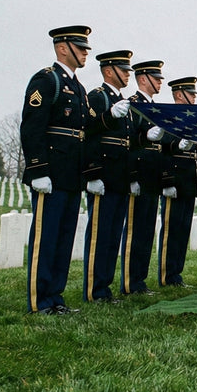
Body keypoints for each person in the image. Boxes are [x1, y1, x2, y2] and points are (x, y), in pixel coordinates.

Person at [20, 25, 92, 315]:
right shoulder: (46, 80)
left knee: (63, 240)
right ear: (63, 48)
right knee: (46, 238)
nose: (86, 52)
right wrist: (37, 168)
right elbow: (31, 126)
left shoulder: (77, 87)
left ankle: (55, 297)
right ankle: (40, 301)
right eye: (81, 46)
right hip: (51, 173)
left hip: (71, 175)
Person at [80, 49, 136, 304]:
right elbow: (88, 136)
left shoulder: (123, 102)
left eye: (128, 71)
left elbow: (129, 144)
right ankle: (94, 290)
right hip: (103, 176)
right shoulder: (97, 97)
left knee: (113, 236)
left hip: (120, 177)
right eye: (123, 70)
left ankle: (105, 288)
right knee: (99, 236)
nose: (127, 75)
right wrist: (92, 174)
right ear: (108, 70)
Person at [157, 76, 197, 289]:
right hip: (173, 180)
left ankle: (176, 275)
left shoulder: (189, 119)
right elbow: (163, 150)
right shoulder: (168, 118)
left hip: (188, 181)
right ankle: (166, 276)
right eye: (191, 94)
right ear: (179, 94)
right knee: (170, 231)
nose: (194, 97)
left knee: (182, 231)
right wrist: (166, 182)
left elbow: (189, 151)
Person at [121, 59, 166, 296]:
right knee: (135, 233)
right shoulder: (133, 105)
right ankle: (130, 282)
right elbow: (127, 143)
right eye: (156, 78)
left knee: (146, 232)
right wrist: (131, 176)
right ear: (143, 79)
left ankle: (139, 281)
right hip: (139, 175)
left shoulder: (154, 106)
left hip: (153, 176)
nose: (160, 82)